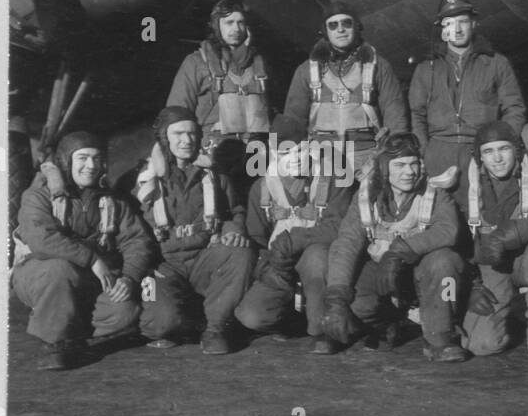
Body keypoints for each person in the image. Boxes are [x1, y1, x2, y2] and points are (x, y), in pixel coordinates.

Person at [11, 131, 156, 370]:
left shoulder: (111, 201)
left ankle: (72, 331)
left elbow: (136, 240)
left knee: (124, 310)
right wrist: (92, 259)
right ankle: (54, 343)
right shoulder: (39, 195)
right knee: (59, 270)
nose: (91, 165)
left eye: (97, 159)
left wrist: (129, 277)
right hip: (38, 274)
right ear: (66, 161)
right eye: (83, 158)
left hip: (87, 280)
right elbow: (41, 239)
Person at [321, 133, 468, 363]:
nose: (409, 172)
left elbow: (448, 231)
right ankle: (388, 323)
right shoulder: (366, 197)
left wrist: (399, 250)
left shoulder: (434, 193)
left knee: (445, 262)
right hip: (383, 275)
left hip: (422, 273)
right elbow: (346, 244)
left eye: (413, 164)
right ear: (384, 168)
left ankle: (440, 338)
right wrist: (337, 298)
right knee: (358, 304)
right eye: (399, 165)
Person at [132, 106, 254, 355]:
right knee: (161, 326)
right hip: (162, 262)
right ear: (164, 137)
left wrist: (233, 229)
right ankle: (177, 316)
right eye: (178, 134)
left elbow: (234, 211)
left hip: (203, 257)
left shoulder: (213, 174)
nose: (186, 140)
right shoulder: (144, 179)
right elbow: (130, 231)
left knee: (239, 252)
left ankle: (215, 328)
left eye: (191, 134)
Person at [234, 115, 356, 354]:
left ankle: (322, 330)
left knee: (316, 258)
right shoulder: (261, 187)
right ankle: (291, 318)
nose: (293, 159)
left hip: (317, 254)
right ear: (271, 151)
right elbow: (256, 239)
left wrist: (294, 240)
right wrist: (268, 266)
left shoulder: (334, 174)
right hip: (279, 263)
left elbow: (340, 227)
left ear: (310, 144)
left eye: (299, 150)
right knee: (252, 316)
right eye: (283, 153)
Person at [459, 122, 528, 360]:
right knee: (483, 345)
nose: (497, 159)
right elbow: (456, 239)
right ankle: (514, 312)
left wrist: (511, 233)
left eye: (503, 149)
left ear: (516, 150)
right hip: (489, 263)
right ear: (479, 157)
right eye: (488, 152)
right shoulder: (466, 180)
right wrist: (472, 285)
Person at [408, 0, 526, 200]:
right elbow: (417, 114)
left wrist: (501, 145)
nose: (458, 29)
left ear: (474, 24)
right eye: (450, 24)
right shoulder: (426, 68)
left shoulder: (496, 63)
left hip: (482, 151)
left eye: (463, 22)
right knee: (442, 218)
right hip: (439, 152)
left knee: (487, 214)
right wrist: (425, 152)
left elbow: (514, 108)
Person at [283, 0, 408, 182]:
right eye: (333, 25)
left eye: (346, 23)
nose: (340, 29)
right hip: (322, 159)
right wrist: (294, 159)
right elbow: (293, 120)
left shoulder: (378, 66)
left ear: (357, 26)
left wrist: (396, 157)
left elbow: (395, 114)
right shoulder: (307, 71)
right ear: (325, 32)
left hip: (367, 158)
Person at [165, 0, 272, 190]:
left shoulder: (259, 64)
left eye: (241, 22)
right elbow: (175, 115)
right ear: (216, 26)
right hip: (212, 157)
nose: (236, 28)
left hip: (254, 157)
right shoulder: (196, 63)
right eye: (229, 22)